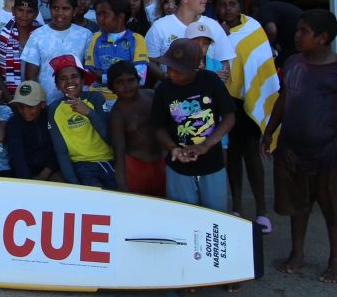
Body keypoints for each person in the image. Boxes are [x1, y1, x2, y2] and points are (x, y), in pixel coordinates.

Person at [261, 9, 337, 284]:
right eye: (297, 29)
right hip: (292, 149)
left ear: (322, 38)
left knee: (334, 206)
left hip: (331, 151)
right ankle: (297, 254)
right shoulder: (294, 62)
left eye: (304, 31)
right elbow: (283, 99)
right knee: (298, 205)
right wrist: (270, 131)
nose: (297, 36)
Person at [216, 0, 276, 233]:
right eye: (222, 4)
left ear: (239, 5)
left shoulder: (253, 28)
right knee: (232, 157)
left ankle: (261, 210)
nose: (227, 9)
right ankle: (237, 207)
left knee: (252, 154)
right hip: (224, 100)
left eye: (232, 4)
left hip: (247, 100)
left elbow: (261, 62)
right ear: (215, 6)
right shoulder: (212, 30)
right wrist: (222, 37)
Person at [151, 38, 236, 212]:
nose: (171, 73)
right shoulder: (163, 89)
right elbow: (157, 126)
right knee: (183, 216)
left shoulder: (211, 81)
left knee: (216, 215)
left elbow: (229, 116)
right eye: (169, 67)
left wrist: (206, 145)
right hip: (177, 165)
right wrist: (172, 148)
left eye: (178, 70)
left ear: (194, 69)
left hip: (212, 162)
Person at [146, 0, 235, 84]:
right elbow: (150, 60)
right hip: (173, 94)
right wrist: (167, 78)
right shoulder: (160, 26)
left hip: (207, 93)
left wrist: (218, 79)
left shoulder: (213, 25)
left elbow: (224, 60)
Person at [47, 55, 116, 189]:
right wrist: (75, 186)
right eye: (63, 78)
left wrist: (89, 113)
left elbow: (109, 137)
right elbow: (61, 152)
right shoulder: (54, 109)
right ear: (57, 85)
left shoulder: (96, 98)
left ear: (83, 80)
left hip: (109, 161)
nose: (70, 81)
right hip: (82, 165)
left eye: (74, 76)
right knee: (96, 192)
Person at [22, 0, 93, 104]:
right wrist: (39, 102)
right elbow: (30, 76)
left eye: (65, 9)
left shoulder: (85, 35)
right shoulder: (37, 35)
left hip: (78, 102)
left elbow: (88, 71)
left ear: (74, 11)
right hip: (46, 102)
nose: (60, 13)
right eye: (55, 8)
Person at [107, 61, 164, 197]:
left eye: (130, 80)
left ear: (139, 80)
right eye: (120, 82)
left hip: (162, 162)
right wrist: (121, 185)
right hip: (135, 168)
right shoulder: (117, 114)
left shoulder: (151, 95)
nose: (126, 86)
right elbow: (119, 150)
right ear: (112, 88)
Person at [84, 0, 150, 86]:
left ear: (121, 17)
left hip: (126, 97)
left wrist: (102, 77)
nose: (100, 19)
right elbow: (89, 73)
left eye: (105, 14)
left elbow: (140, 79)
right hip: (98, 96)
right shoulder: (95, 38)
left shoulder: (137, 39)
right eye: (98, 14)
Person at [5, 80, 60, 181]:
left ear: (42, 104)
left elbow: (58, 149)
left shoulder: (52, 118)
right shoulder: (13, 124)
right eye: (21, 106)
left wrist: (44, 174)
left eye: (30, 106)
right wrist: (28, 181)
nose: (25, 111)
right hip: (23, 174)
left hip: (50, 170)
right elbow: (17, 157)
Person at [0, 0, 41, 99]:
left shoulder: (43, 35)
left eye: (29, 11)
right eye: (20, 10)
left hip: (38, 96)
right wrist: (10, 100)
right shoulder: (0, 35)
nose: (24, 15)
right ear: (13, 11)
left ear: (36, 14)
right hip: (9, 96)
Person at [248, 0, 303, 66]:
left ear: (254, 10)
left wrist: (267, 46)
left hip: (295, 45)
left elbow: (271, 30)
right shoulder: (276, 8)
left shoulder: (263, 10)